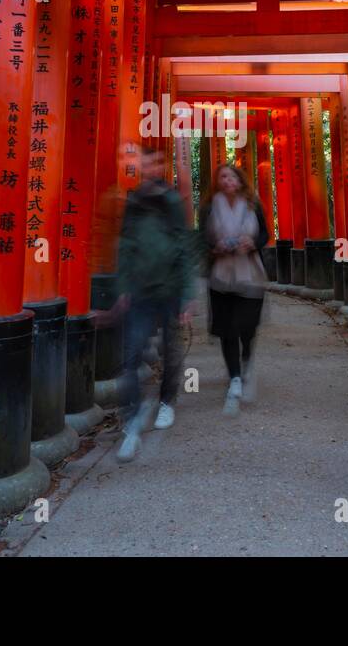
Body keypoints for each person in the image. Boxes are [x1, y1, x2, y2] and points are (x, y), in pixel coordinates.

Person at [114, 147, 195, 462]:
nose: (149, 168)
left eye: (154, 163)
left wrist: (187, 293)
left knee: (172, 347)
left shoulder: (172, 201)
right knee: (130, 355)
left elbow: (184, 245)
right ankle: (131, 414)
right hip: (139, 290)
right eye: (144, 163)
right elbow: (126, 244)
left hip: (170, 288)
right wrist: (122, 286)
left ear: (162, 167)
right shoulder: (133, 201)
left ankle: (166, 402)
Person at [198, 163, 268, 417]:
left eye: (231, 176)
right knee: (227, 328)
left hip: (249, 274)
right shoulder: (209, 207)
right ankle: (235, 377)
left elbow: (265, 236)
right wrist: (215, 247)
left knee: (246, 327)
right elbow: (203, 237)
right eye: (222, 177)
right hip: (221, 275)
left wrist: (251, 243)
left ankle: (247, 358)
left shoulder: (252, 204)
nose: (227, 180)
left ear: (240, 180)